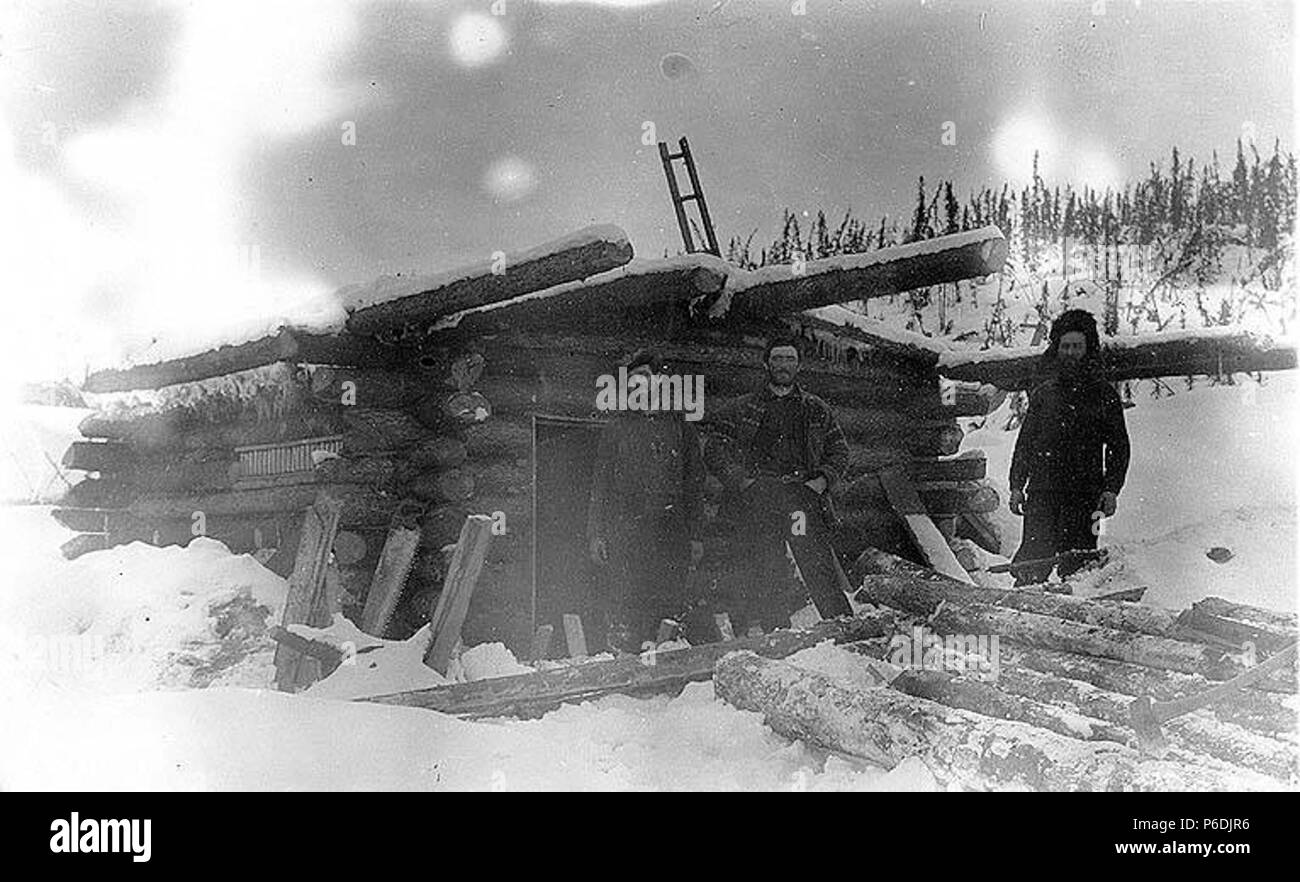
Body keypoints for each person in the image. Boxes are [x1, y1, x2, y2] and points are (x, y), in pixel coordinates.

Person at [704, 336, 853, 629]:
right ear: (766, 363)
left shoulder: (815, 408)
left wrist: (823, 480)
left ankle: (843, 627)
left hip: (801, 499)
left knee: (815, 562)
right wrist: (741, 481)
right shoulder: (744, 407)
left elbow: (839, 449)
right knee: (765, 565)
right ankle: (777, 631)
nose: (783, 366)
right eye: (777, 359)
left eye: (789, 360)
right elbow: (715, 447)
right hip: (762, 499)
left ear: (799, 365)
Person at [587, 349, 705, 652]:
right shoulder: (617, 427)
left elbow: (695, 483)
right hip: (627, 528)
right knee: (628, 598)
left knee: (667, 597)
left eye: (646, 377)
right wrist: (597, 533)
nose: (640, 384)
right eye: (634, 379)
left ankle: (664, 662)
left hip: (670, 529)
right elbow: (601, 485)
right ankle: (630, 668)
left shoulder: (680, 427)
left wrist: (695, 534)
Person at [1008, 309, 1131, 586]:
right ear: (1057, 349)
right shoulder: (1044, 394)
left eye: (1077, 346)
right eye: (1065, 346)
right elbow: (1025, 444)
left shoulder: (1104, 395)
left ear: (1088, 350)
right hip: (1042, 493)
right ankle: (1022, 616)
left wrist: (1111, 489)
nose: (1071, 352)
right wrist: (1017, 485)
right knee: (1031, 564)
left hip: (1086, 496)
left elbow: (1119, 447)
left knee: (1079, 568)